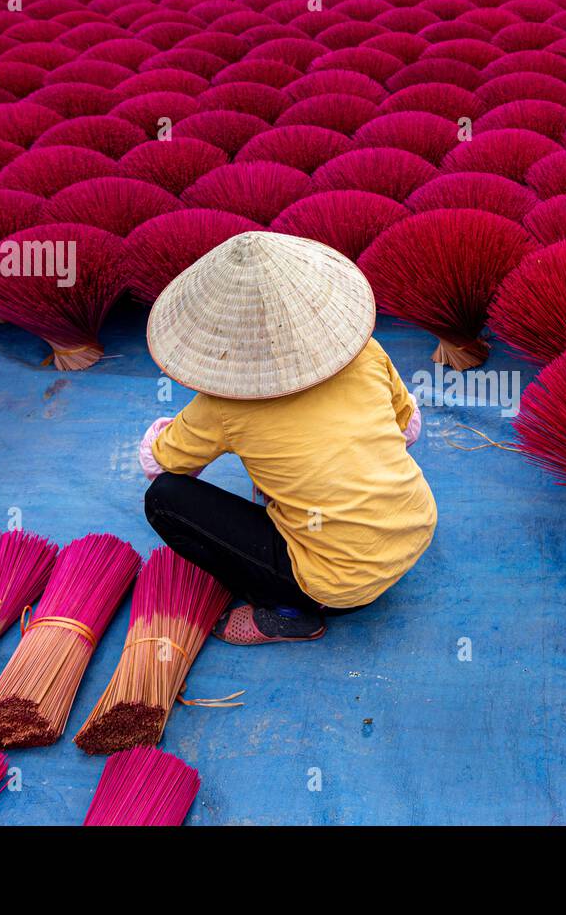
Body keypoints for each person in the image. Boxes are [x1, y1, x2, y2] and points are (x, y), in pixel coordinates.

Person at [138, 231, 436, 645]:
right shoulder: (367, 351)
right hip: (414, 532)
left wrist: (170, 428)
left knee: (164, 500)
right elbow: (408, 428)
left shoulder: (222, 406)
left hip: (336, 589)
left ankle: (288, 610)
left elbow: (161, 465)